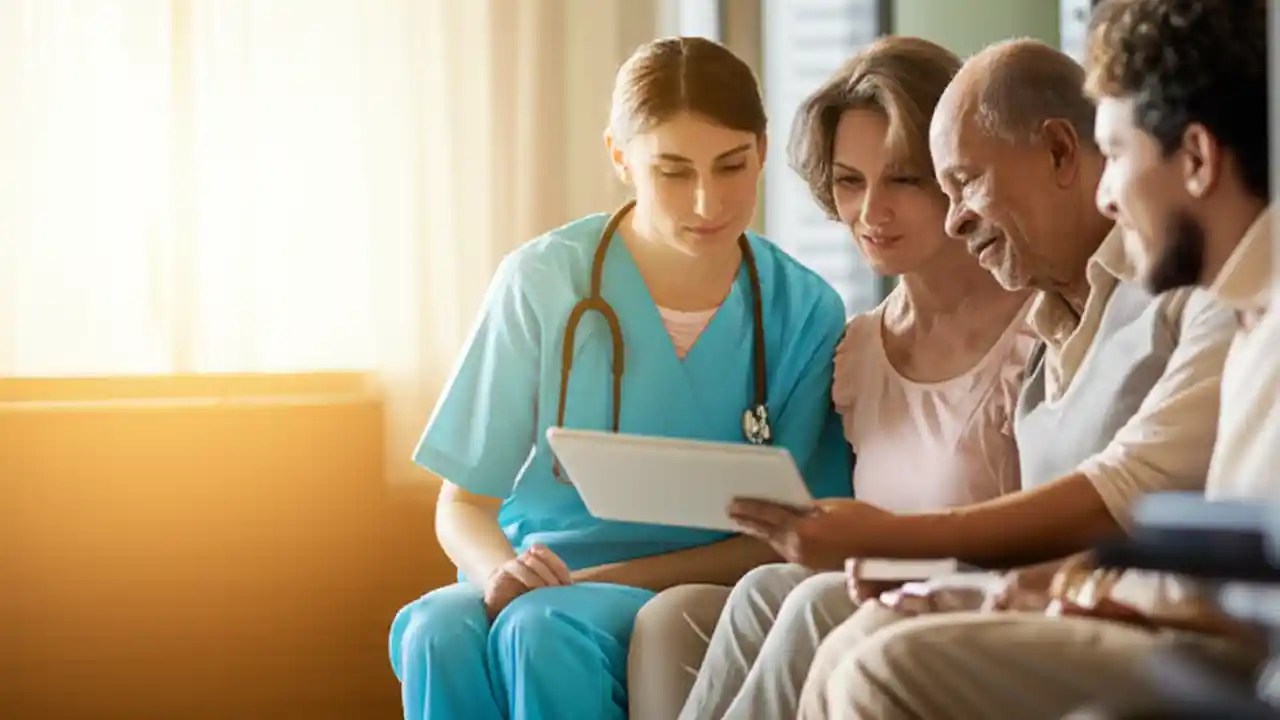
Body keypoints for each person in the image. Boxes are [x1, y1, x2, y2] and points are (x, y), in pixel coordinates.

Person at [798, 1, 1270, 717]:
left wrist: (911, 543)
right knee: (842, 632)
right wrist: (1043, 587)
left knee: (882, 663)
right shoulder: (1230, 312)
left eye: (1113, 155)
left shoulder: (1228, 312)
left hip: (1231, 656)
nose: (1107, 195)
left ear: (1197, 158)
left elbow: (1148, 500)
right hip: (1182, 618)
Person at [385, 37, 852, 720]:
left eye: (732, 166)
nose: (707, 201)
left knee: (543, 630)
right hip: (537, 574)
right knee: (435, 629)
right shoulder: (543, 281)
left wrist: (590, 582)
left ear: (762, 146)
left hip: (690, 581)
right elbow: (462, 504)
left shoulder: (803, 310)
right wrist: (499, 573)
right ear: (619, 157)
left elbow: (790, 535)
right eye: (671, 171)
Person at [627, 36, 1037, 720]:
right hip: (882, 596)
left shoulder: (1037, 331)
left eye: (903, 179)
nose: (871, 212)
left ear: (957, 175)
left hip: (986, 602)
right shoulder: (857, 352)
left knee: (818, 600)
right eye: (850, 181)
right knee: (761, 590)